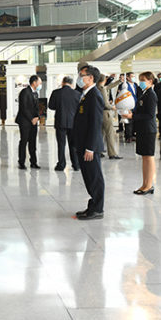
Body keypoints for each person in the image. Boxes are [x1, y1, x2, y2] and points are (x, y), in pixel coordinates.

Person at [73, 65, 105, 220]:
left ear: (91, 77)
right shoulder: (86, 94)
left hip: (90, 145)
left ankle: (98, 209)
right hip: (83, 143)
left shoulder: (94, 96)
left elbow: (95, 123)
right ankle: (93, 205)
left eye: (82, 75)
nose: (79, 78)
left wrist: (90, 148)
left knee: (94, 177)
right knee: (88, 176)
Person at [48, 76, 81, 171]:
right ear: (71, 83)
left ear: (63, 82)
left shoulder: (56, 93)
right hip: (73, 123)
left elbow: (51, 106)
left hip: (60, 122)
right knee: (73, 145)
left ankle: (61, 164)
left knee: (61, 145)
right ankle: (76, 165)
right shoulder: (77, 94)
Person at [16, 75, 41, 170]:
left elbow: (37, 108)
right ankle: (21, 162)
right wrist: (31, 119)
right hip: (25, 121)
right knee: (24, 141)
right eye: (39, 82)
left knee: (33, 142)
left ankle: (33, 162)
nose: (40, 84)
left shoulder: (36, 93)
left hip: (34, 121)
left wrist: (37, 117)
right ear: (34, 82)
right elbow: (24, 108)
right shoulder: (25, 92)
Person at [98, 73, 123, 160]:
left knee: (101, 133)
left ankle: (99, 151)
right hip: (105, 113)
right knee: (110, 133)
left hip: (99, 114)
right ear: (104, 80)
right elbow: (106, 104)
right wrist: (113, 107)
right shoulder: (102, 89)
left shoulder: (97, 88)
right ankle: (112, 153)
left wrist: (118, 81)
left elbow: (109, 87)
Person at [121, 72, 140, 143]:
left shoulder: (135, 85)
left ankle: (133, 135)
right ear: (127, 77)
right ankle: (128, 136)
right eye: (132, 76)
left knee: (134, 120)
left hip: (135, 105)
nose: (133, 78)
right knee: (128, 122)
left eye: (134, 76)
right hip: (128, 105)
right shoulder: (125, 85)